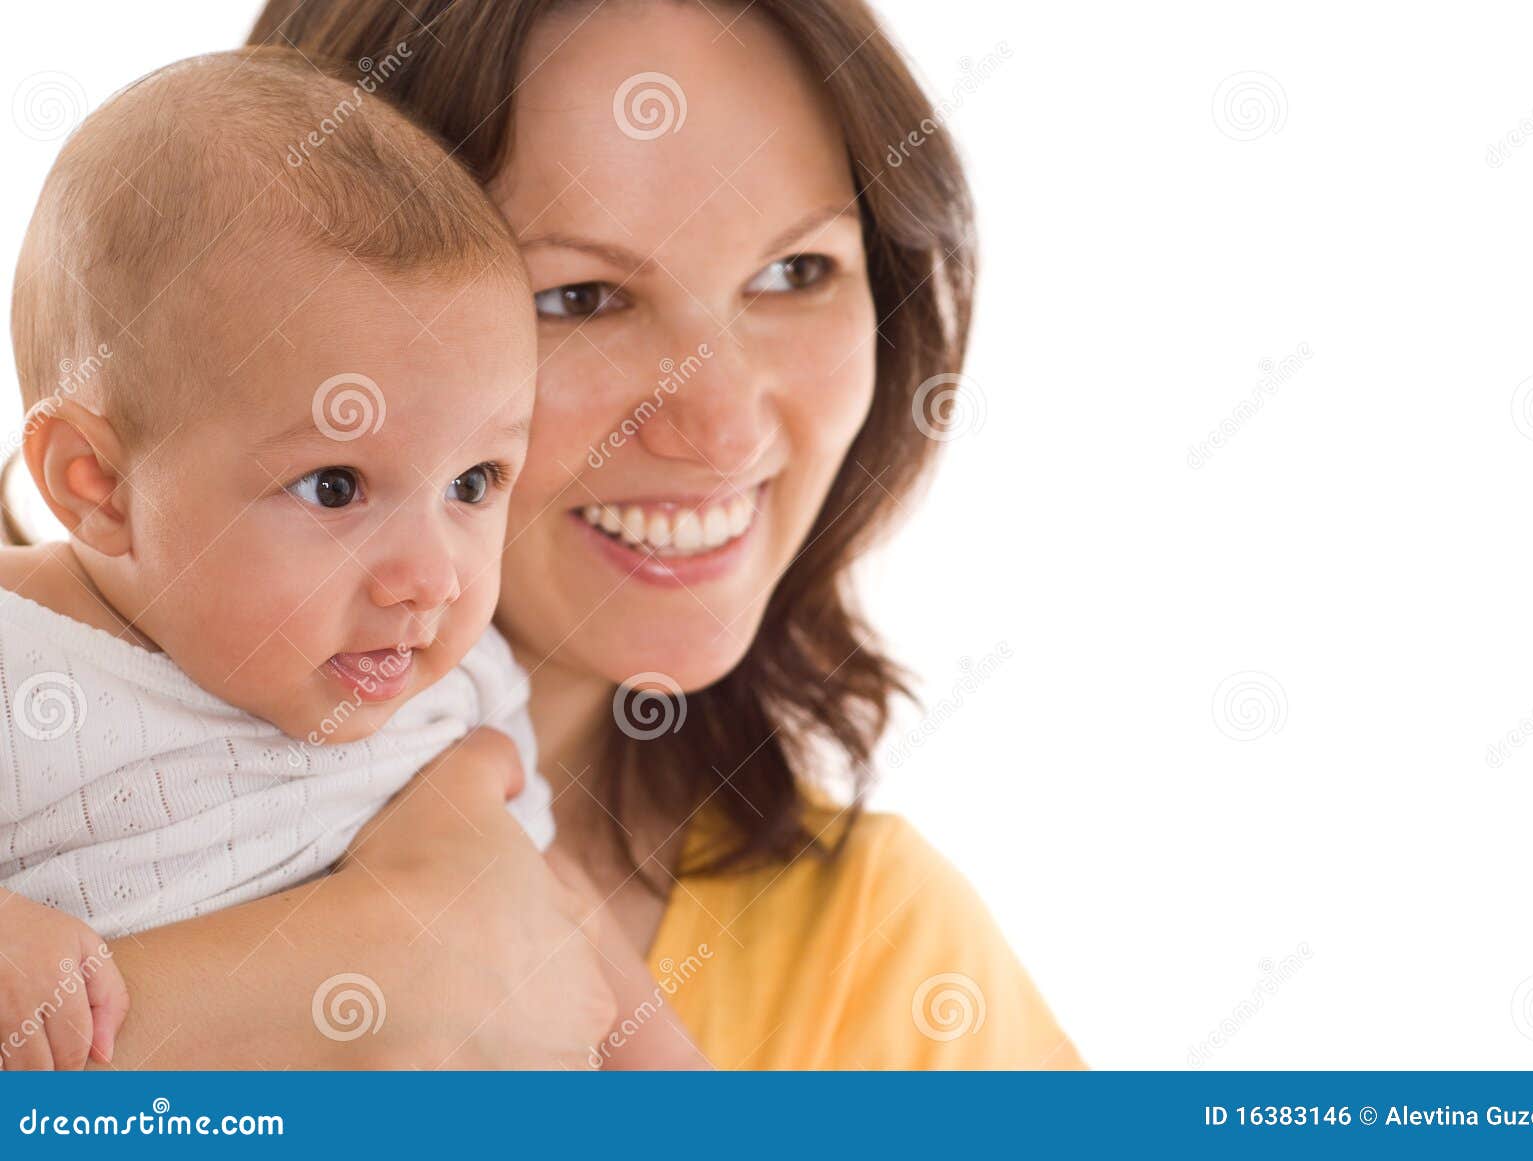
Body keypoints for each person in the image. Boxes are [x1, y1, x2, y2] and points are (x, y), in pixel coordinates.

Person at [62, 0, 1084, 1070]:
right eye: (581, 297)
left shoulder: (891, 958)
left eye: (796, 272)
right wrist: (306, 979)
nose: (725, 427)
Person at [0, 49, 562, 1067]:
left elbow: (558, 943)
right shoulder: (21, 666)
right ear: (98, 483)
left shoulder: (456, 691)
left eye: (473, 483)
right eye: (336, 488)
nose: (430, 578)